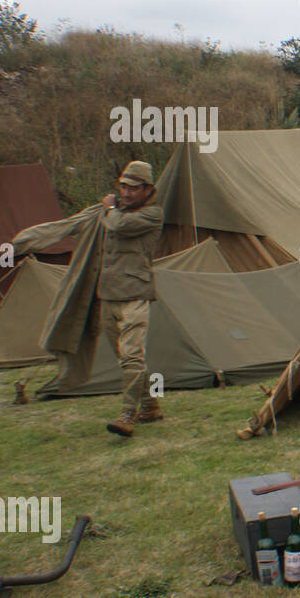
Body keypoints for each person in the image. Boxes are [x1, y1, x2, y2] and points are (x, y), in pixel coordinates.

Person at [98, 161, 164, 437]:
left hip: (135, 295)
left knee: (132, 356)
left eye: (133, 188)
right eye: (123, 187)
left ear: (148, 190)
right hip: (109, 294)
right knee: (125, 357)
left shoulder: (151, 214)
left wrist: (110, 208)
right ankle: (150, 405)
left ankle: (128, 414)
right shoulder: (114, 213)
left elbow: (120, 227)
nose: (126, 193)